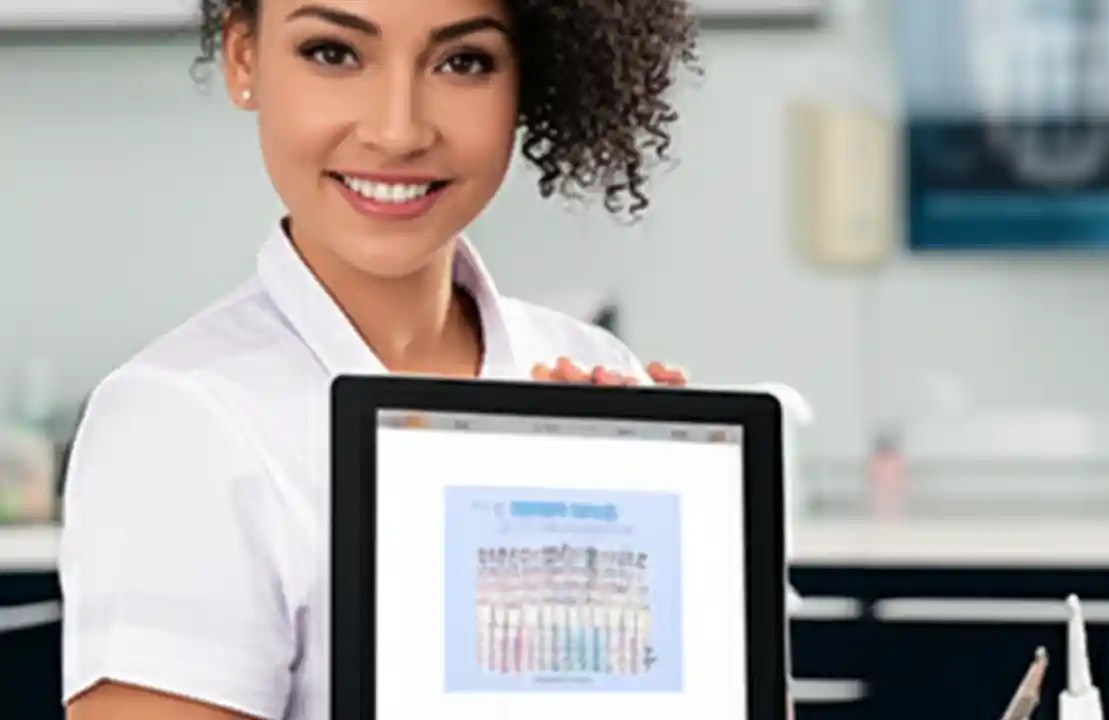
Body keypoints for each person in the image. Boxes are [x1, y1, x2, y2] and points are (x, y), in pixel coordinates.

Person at [58, 0, 700, 717]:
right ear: (245, 59)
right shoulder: (178, 422)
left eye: (465, 62)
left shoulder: (592, 373)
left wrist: (692, 568)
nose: (398, 131)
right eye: (333, 54)